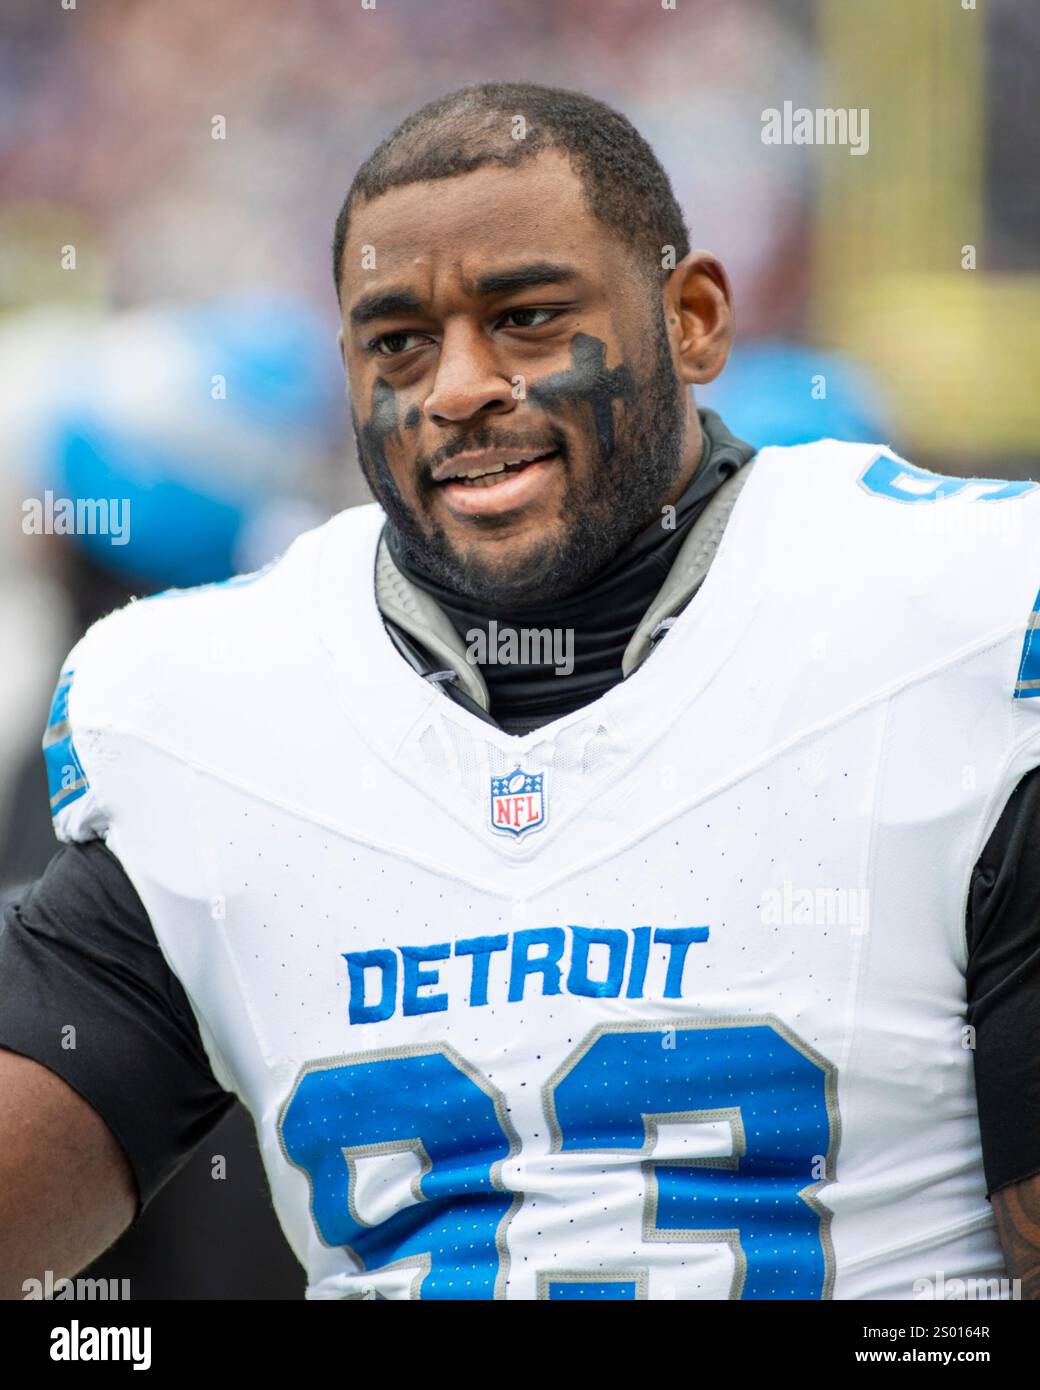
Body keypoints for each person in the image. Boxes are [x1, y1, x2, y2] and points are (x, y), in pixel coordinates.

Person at [1, 82, 1038, 1301]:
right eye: (398, 342)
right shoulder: (207, 709)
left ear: (693, 319)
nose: (456, 387)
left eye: (528, 318)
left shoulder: (950, 623)